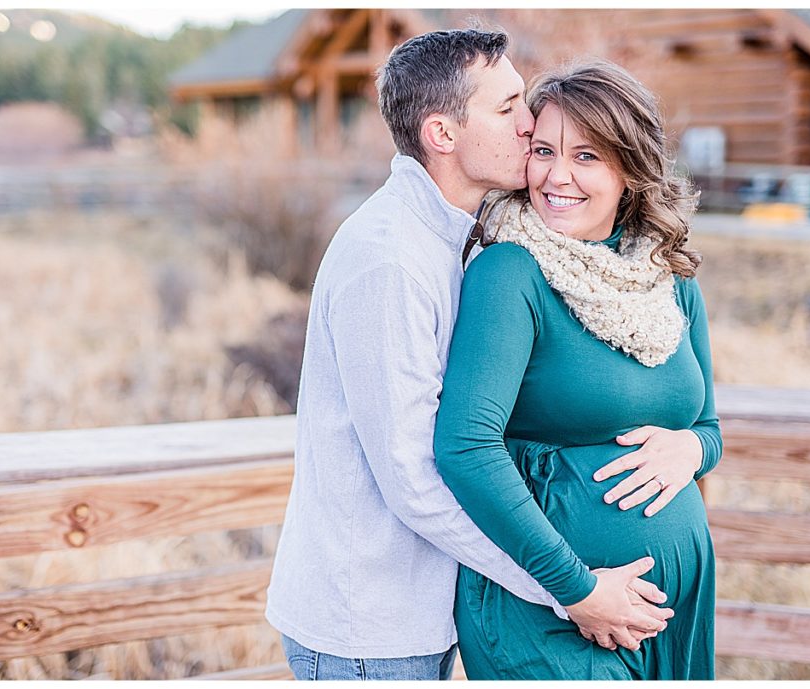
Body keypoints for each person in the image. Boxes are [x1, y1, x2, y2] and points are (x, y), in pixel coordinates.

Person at [266, 31, 673, 681]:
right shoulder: (389, 258)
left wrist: (690, 443)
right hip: (367, 627)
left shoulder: (459, 238)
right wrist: (571, 588)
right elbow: (415, 478)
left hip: (421, 612)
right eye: (508, 107)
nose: (530, 122)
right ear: (442, 134)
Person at [433, 59, 723, 680]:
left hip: (669, 611)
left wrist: (693, 451)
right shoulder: (511, 273)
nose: (555, 177)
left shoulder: (666, 275)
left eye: (586, 157)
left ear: (630, 170)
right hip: (550, 608)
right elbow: (464, 447)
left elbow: (709, 425)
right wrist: (578, 588)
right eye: (543, 151)